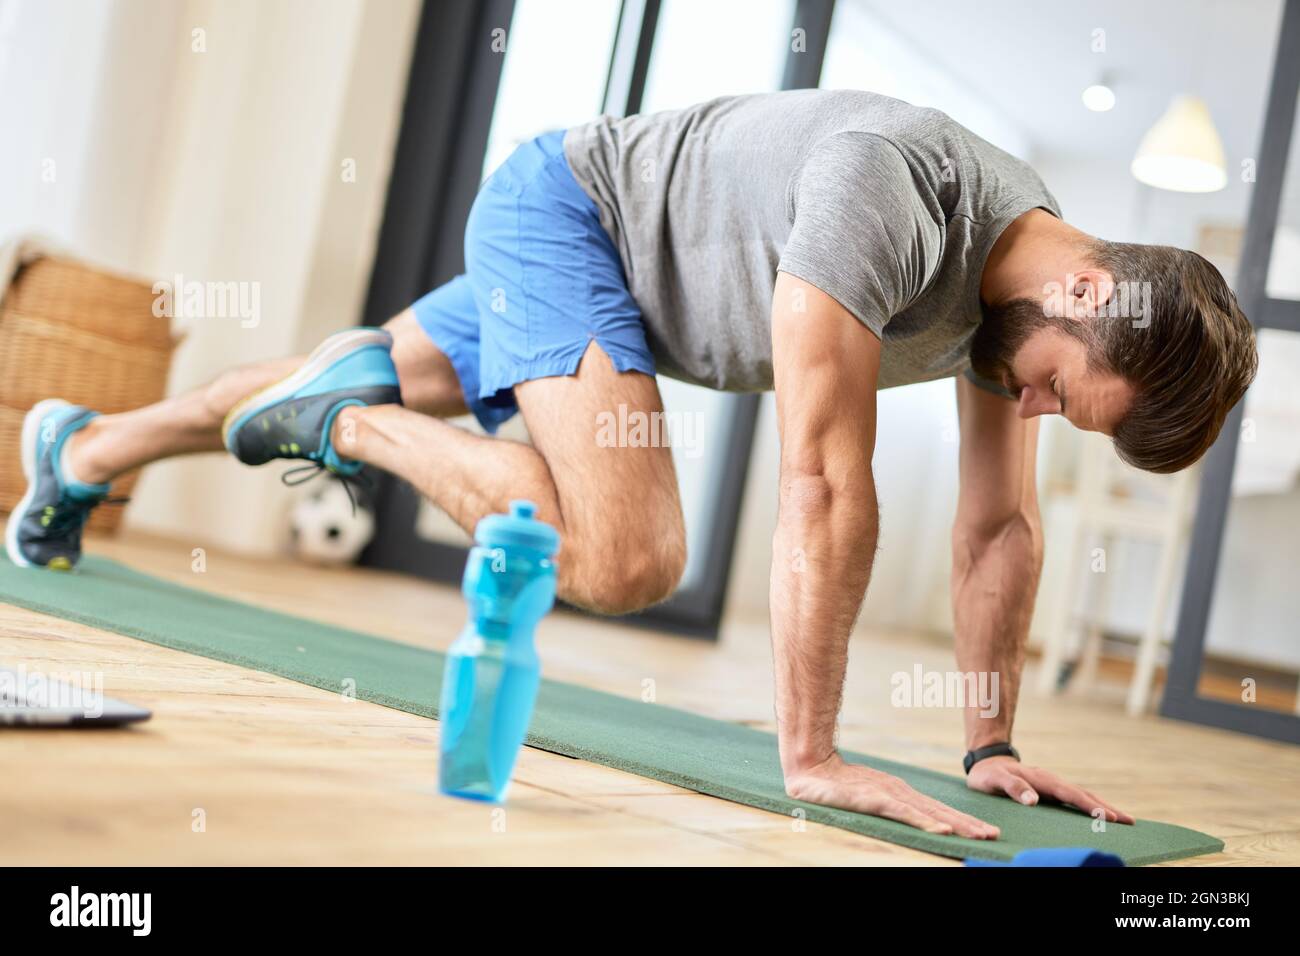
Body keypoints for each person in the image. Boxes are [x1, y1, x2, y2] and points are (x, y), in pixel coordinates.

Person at [7, 89, 1257, 839]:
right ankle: (345, 428)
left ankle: (78, 447)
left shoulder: (1023, 299)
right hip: (568, 216)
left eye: (1056, 409)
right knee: (627, 553)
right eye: (1052, 386)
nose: (1027, 403)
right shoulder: (897, 193)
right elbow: (822, 480)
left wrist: (987, 742)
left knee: (363, 363)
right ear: (1087, 284)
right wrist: (811, 755)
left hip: (620, 291)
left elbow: (997, 528)